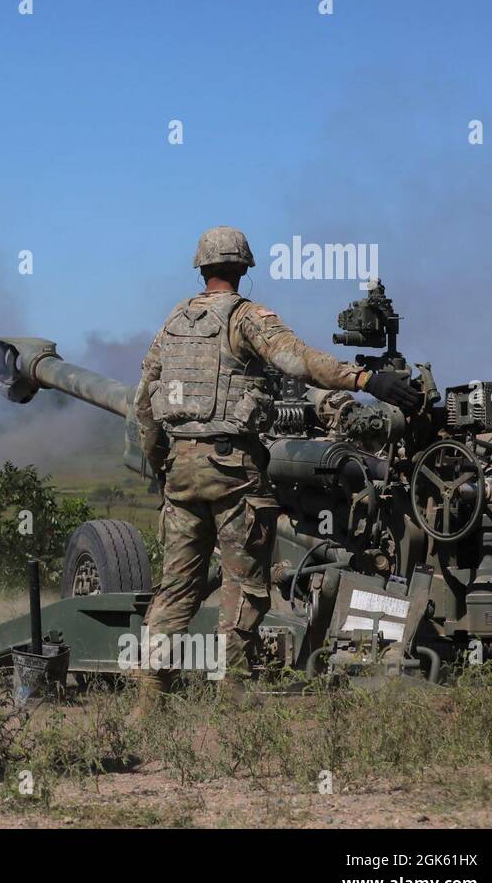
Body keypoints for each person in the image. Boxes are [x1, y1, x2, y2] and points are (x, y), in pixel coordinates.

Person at [130, 226, 421, 712]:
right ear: (243, 268)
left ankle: (149, 696)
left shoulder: (173, 323)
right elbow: (299, 360)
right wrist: (367, 379)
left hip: (180, 469)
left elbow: (144, 403)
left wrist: (163, 464)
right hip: (233, 471)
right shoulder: (246, 318)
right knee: (243, 580)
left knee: (175, 587)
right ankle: (232, 687)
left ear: (201, 268)